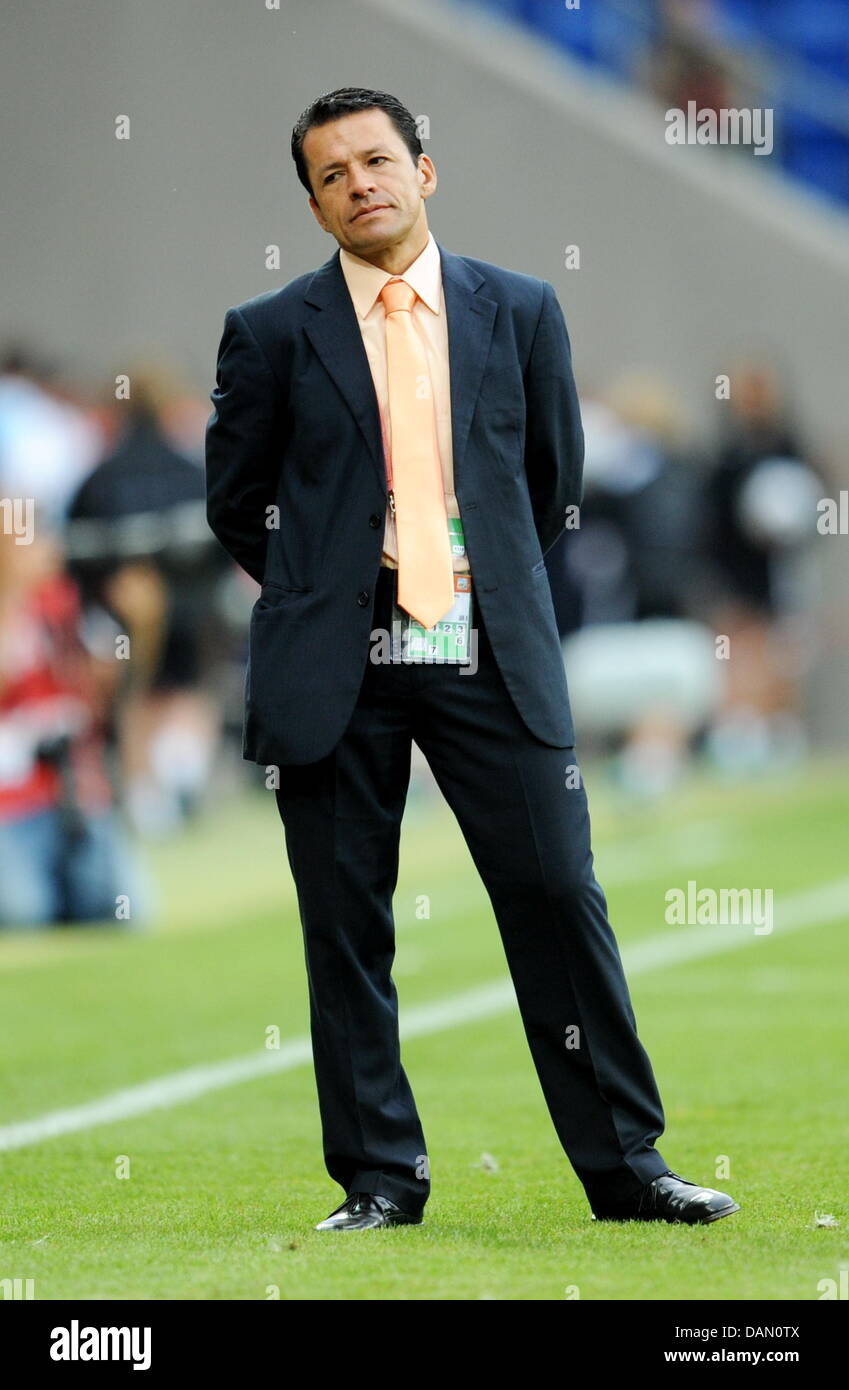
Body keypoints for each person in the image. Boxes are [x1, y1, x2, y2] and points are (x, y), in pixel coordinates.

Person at [205, 87, 740, 1232]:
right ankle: (381, 1179)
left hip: (487, 643)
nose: (362, 183)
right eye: (334, 174)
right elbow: (236, 503)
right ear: (313, 204)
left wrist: (465, 579)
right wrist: (335, 590)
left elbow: (550, 485)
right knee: (347, 921)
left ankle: (626, 1165)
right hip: (337, 656)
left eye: (378, 160)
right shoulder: (268, 331)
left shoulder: (523, 309)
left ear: (424, 171)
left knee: (556, 890)